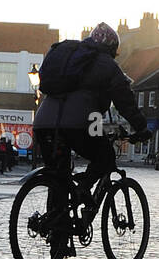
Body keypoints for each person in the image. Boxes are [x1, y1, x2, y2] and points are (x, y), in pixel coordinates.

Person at [33, 21, 149, 192]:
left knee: (58, 176)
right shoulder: (107, 64)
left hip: (43, 123)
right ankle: (84, 189)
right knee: (106, 156)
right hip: (82, 124)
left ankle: (55, 216)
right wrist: (141, 128)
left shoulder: (68, 55)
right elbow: (125, 101)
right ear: (111, 49)